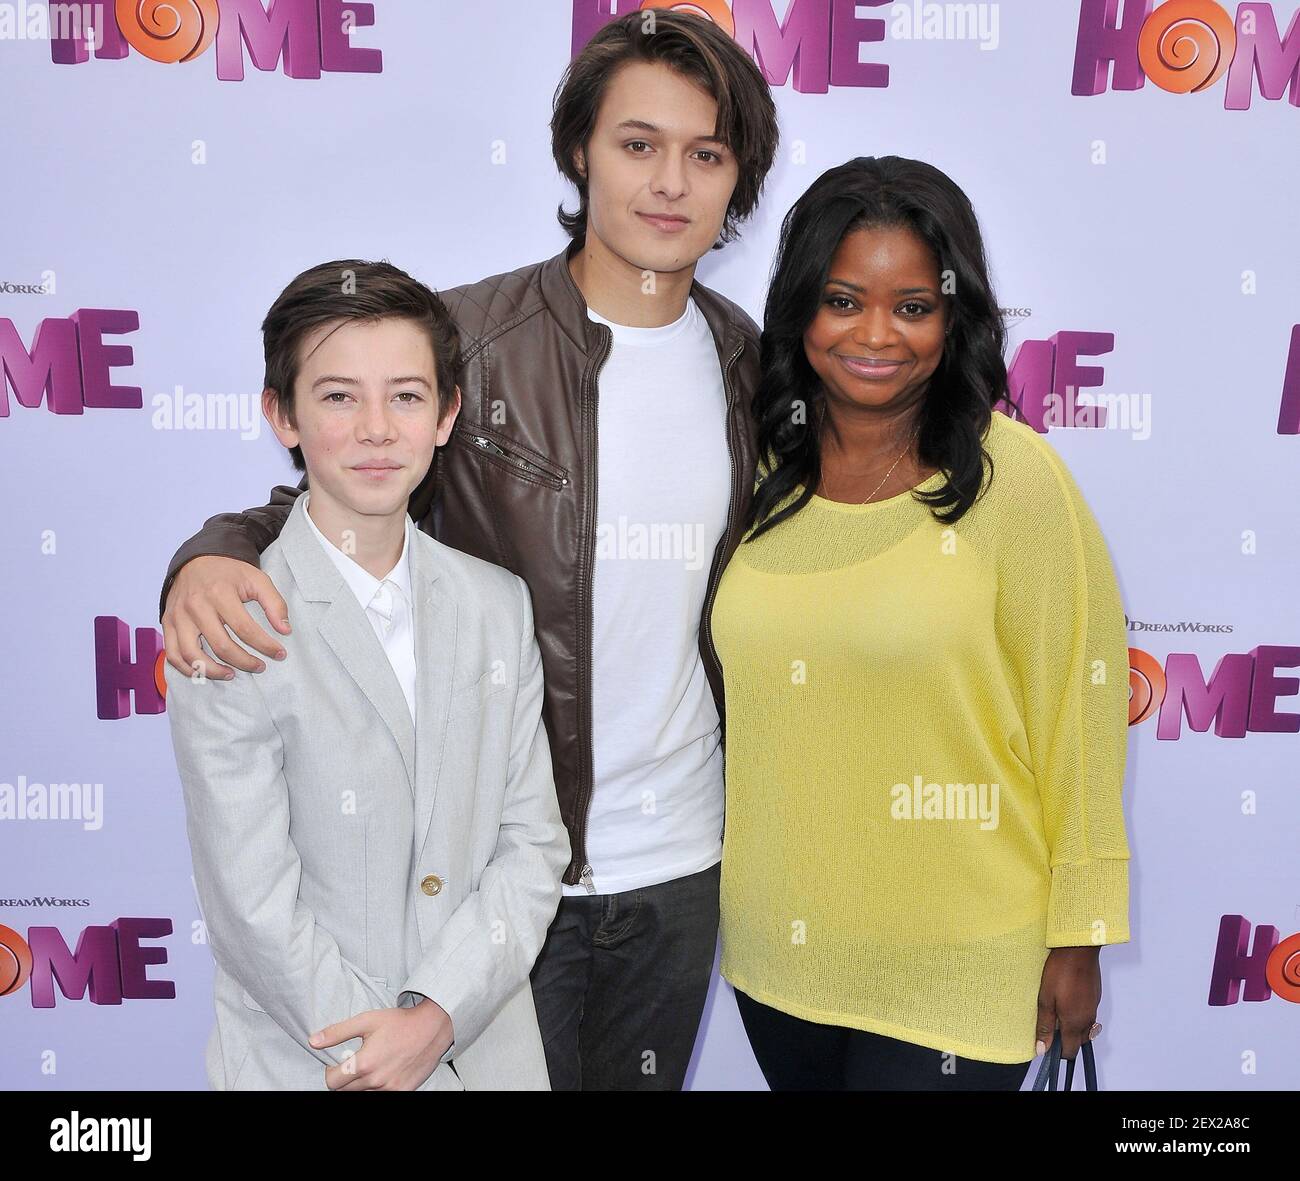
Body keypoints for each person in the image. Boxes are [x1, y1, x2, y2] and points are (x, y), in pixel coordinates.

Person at [156, 11, 779, 1090]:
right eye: (637, 144)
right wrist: (207, 555)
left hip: (680, 866)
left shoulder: (749, 367)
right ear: (580, 152)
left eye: (706, 153)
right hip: (492, 879)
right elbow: (342, 479)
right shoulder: (474, 343)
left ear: (737, 181)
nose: (669, 180)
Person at [710, 156, 1133, 1091]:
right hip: (780, 955)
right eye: (844, 299)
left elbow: (1080, 716)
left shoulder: (1014, 480)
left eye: (913, 306)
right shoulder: (754, 475)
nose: (876, 335)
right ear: (799, 311)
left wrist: (1081, 932)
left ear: (955, 318)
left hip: (960, 954)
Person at [163, 260, 570, 1090]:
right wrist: (375, 1052)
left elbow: (533, 845)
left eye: (408, 396)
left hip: (486, 1053)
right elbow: (250, 905)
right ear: (282, 414)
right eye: (340, 396)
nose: (377, 428)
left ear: (449, 414)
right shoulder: (229, 618)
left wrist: (438, 1017)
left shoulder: (498, 603)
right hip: (308, 1062)